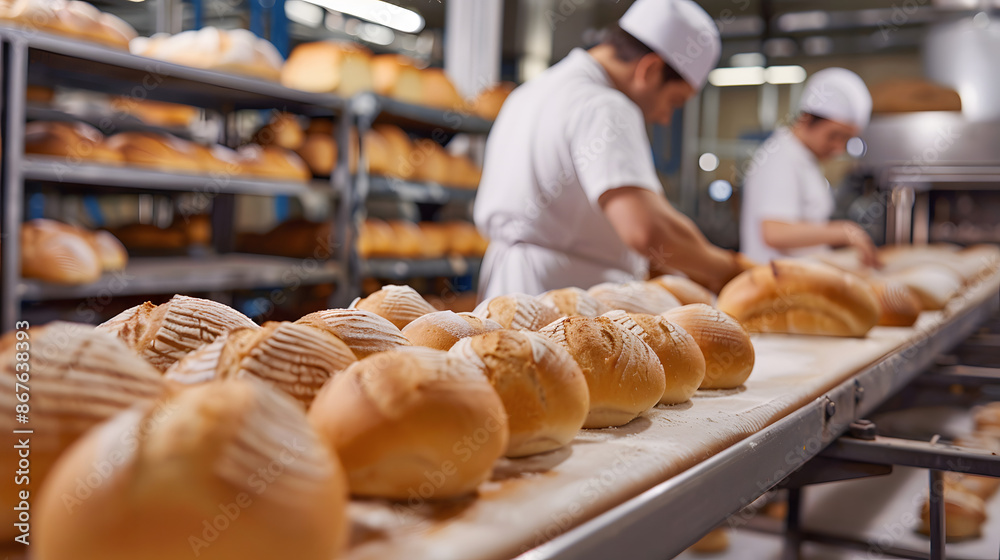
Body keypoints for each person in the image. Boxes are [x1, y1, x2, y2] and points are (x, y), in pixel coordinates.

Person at [473, 0, 746, 302]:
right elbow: (646, 230)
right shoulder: (606, 106)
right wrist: (727, 270)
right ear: (651, 69)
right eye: (675, 102)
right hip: (562, 302)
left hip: (509, 291)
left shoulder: (530, 91)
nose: (665, 117)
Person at [739, 67, 879, 267]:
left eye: (846, 140)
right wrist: (843, 231)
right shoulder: (780, 157)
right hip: (776, 287)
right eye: (834, 136)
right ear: (807, 119)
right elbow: (774, 232)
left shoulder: (803, 159)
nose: (839, 148)